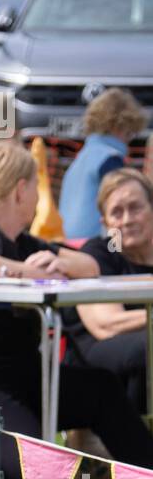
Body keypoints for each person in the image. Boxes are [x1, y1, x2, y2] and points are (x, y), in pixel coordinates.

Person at [0, 140, 153, 479]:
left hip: (22, 375)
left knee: (101, 390)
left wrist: (57, 265)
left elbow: (89, 266)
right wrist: (29, 272)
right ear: (22, 190)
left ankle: (146, 478)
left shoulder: (18, 239)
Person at [64, 169, 153, 416]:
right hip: (92, 349)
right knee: (146, 348)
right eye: (117, 212)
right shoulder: (96, 256)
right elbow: (107, 325)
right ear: (105, 223)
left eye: (135, 208)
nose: (127, 220)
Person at [59, 88, 147, 241]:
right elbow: (120, 213)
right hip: (93, 245)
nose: (129, 138)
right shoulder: (110, 159)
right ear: (119, 125)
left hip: (66, 241)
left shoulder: (80, 160)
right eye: (130, 131)